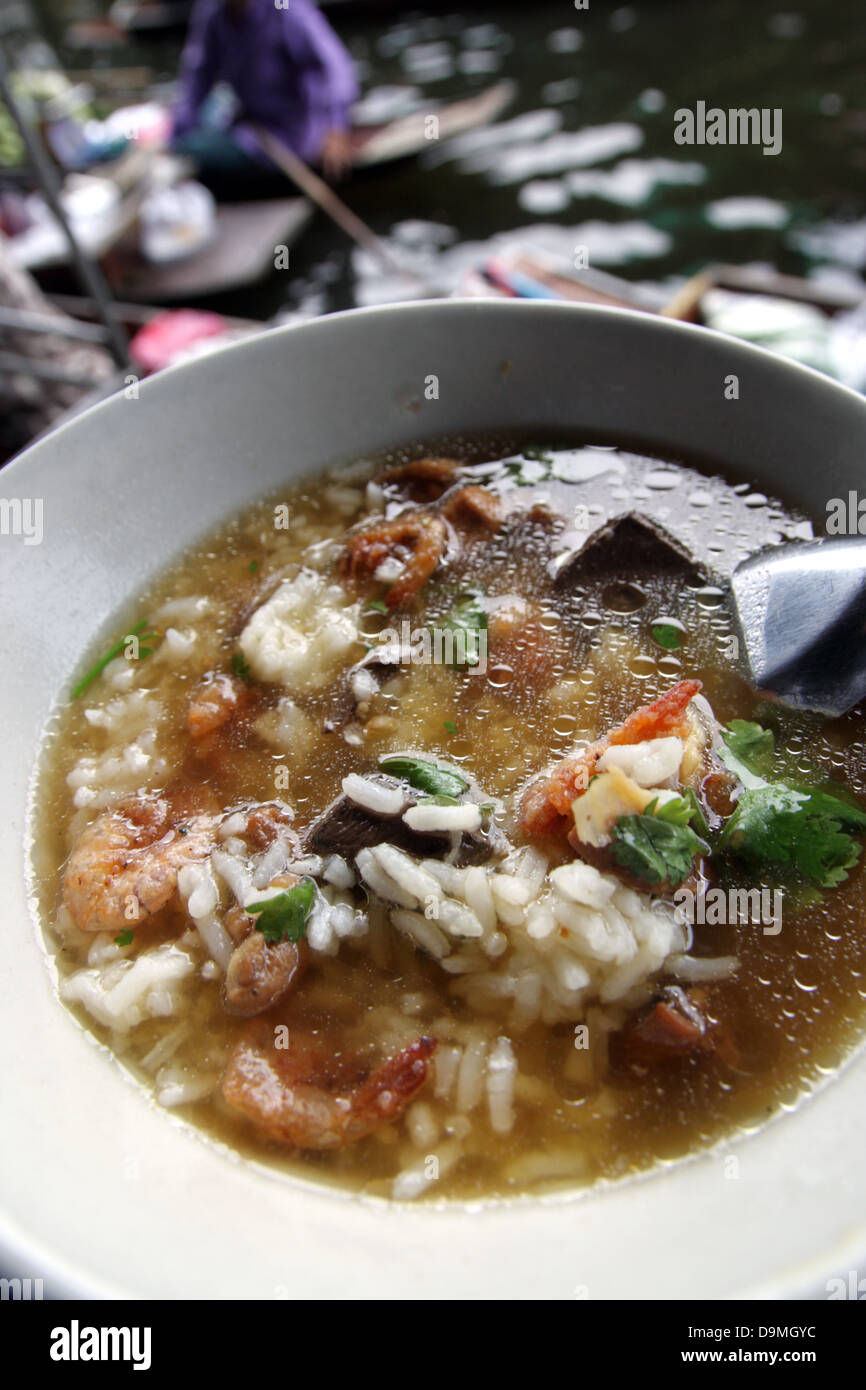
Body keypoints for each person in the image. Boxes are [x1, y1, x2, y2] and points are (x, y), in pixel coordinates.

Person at [171, 0, 359, 185]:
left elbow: (335, 66)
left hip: (289, 133)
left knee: (193, 150)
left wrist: (336, 127)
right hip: (248, 118)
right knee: (198, 122)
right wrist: (175, 135)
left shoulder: (284, 5)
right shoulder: (211, 9)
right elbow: (198, 78)